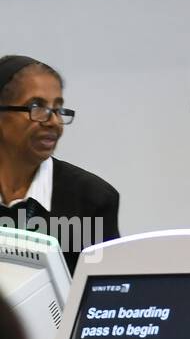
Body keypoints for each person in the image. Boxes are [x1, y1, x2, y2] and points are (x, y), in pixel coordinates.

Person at [0, 56, 118, 273]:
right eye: (37, 107)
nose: (54, 121)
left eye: (58, 109)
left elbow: (108, 296)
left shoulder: (91, 199)